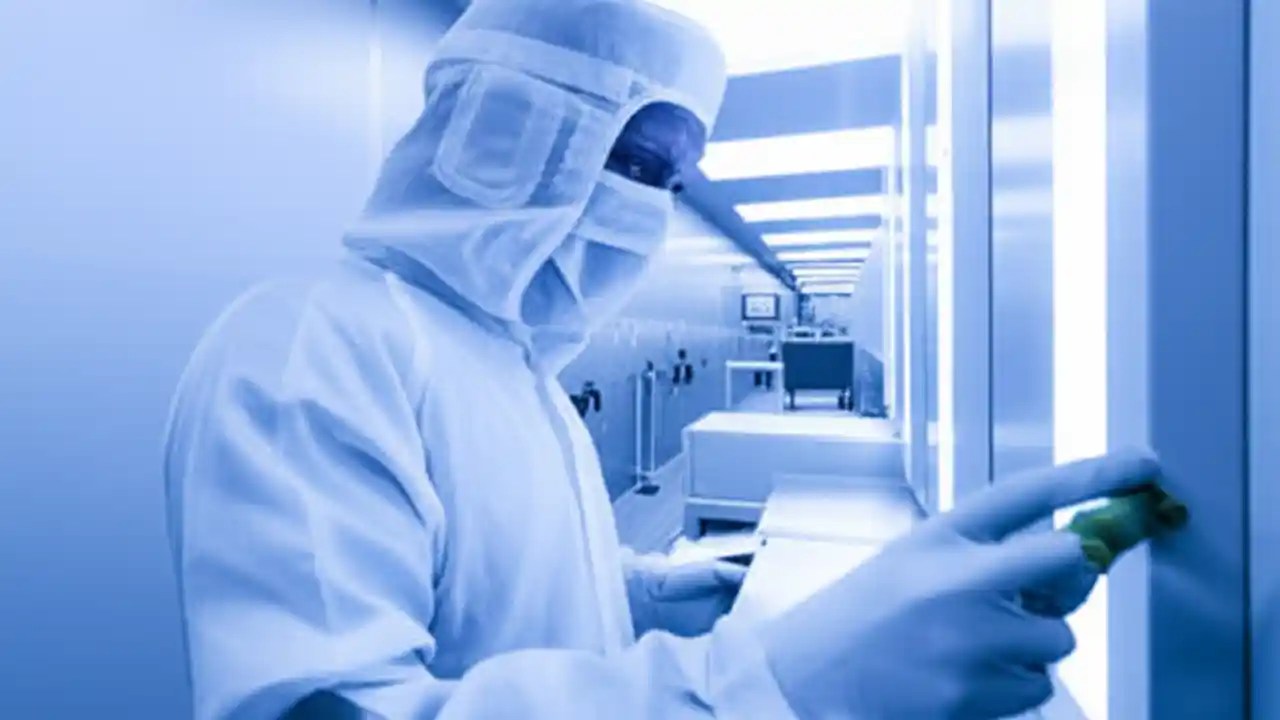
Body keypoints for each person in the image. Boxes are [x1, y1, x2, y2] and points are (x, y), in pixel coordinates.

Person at [163, 1, 1161, 718]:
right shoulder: (315, 343)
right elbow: (324, 706)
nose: (649, 211)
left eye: (672, 185)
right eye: (638, 165)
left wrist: (652, 589)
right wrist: (771, 686)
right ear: (505, 136)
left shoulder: (511, 368)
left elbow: (498, 597)